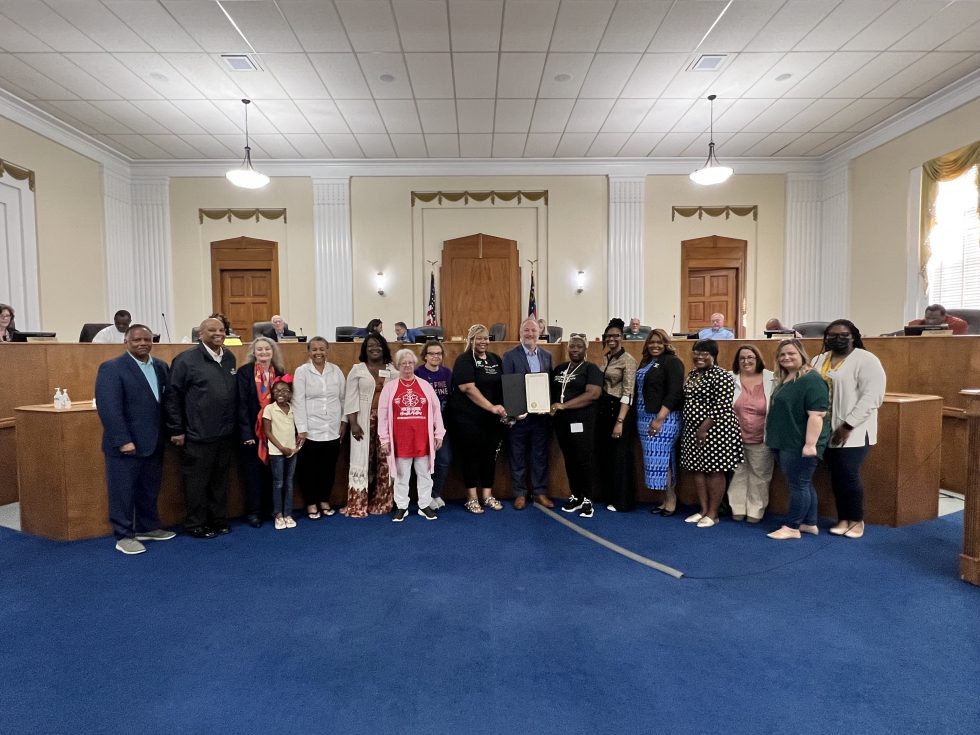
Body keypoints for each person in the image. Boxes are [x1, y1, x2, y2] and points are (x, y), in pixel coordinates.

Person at [95, 324, 175, 555]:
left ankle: (148, 527)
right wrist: (123, 440)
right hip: (126, 445)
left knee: (149, 489)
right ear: (126, 342)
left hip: (154, 441)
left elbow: (164, 403)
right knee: (122, 492)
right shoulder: (112, 368)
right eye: (137, 340)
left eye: (147, 339)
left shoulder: (160, 366)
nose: (142, 343)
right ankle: (123, 534)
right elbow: (109, 408)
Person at [811, 319, 886, 539]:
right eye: (832, 335)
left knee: (848, 474)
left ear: (853, 336)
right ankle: (843, 518)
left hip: (853, 431)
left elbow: (872, 397)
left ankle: (856, 520)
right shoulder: (819, 359)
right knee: (836, 475)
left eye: (843, 335)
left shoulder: (866, 359)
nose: (838, 339)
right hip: (825, 430)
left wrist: (847, 425)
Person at [164, 317, 238, 539]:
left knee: (219, 481)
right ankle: (196, 523)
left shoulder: (229, 358)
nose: (218, 333)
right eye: (212, 330)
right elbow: (172, 396)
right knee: (196, 483)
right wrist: (176, 429)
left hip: (225, 433)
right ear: (200, 334)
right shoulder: (186, 360)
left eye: (222, 330)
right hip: (197, 434)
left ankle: (218, 520)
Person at [765, 339, 830, 540]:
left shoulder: (811, 379)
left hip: (799, 443)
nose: (786, 357)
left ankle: (792, 526)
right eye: (782, 355)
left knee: (798, 485)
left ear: (802, 354)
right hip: (784, 441)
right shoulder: (786, 378)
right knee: (803, 483)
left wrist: (810, 445)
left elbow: (817, 415)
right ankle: (809, 523)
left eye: (791, 353)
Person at [680, 339, 744, 528]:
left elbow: (722, 406)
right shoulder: (692, 374)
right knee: (698, 469)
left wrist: (703, 428)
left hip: (715, 430)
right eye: (696, 353)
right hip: (692, 430)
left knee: (714, 470)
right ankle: (703, 510)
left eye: (704, 353)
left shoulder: (722, 375)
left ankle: (713, 513)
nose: (699, 357)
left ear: (714, 356)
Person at [379, 349, 446, 522]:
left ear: (414, 364)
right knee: (402, 475)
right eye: (403, 363)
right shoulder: (389, 387)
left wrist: (439, 433)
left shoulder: (424, 385)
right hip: (400, 439)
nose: (407, 366)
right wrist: (384, 439)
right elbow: (383, 414)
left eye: (410, 363)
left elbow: (436, 410)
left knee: (424, 474)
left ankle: (424, 505)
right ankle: (402, 506)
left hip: (422, 439)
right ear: (397, 366)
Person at [449, 324, 507, 514]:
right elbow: (468, 388)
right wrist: (491, 406)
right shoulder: (464, 360)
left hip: (492, 421)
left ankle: (487, 495)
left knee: (490, 457)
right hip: (469, 419)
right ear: (471, 340)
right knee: (471, 457)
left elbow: (504, 386)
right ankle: (472, 497)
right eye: (479, 338)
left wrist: (513, 409)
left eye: (486, 338)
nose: (483, 341)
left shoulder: (495, 359)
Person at [503, 317, 554, 509]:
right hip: (520, 416)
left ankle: (540, 492)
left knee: (540, 455)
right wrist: (516, 412)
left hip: (540, 416)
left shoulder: (547, 356)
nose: (530, 334)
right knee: (517, 455)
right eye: (526, 331)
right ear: (520, 333)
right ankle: (520, 493)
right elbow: (509, 385)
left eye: (533, 331)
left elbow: (548, 383)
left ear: (539, 334)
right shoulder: (510, 356)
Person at [342, 332, 395, 517]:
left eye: (378, 345)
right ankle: (358, 504)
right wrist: (353, 423)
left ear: (384, 348)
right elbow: (350, 398)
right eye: (370, 345)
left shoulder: (393, 371)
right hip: (362, 421)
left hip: (386, 424)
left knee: (384, 461)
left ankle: (382, 503)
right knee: (363, 460)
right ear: (365, 348)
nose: (374, 348)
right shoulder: (358, 370)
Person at [293, 336, 346, 519]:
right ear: (308, 352)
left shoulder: (335, 371)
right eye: (314, 349)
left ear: (327, 350)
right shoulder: (302, 372)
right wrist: (301, 428)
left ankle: (324, 499)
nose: (318, 353)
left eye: (322, 349)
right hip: (311, 429)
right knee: (309, 469)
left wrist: (343, 422)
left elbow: (343, 398)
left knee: (328, 468)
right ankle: (311, 502)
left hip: (332, 428)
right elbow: (298, 401)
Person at [550, 333, 603, 518]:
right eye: (572, 346)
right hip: (561, 423)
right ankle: (576, 495)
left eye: (579, 346)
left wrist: (564, 406)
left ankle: (588, 498)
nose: (574, 349)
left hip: (581, 422)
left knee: (583, 459)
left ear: (586, 349)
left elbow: (593, 394)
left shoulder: (591, 369)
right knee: (570, 459)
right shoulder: (559, 368)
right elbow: (547, 391)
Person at [236, 336, 284, 528]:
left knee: (271, 474)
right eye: (260, 350)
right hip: (252, 432)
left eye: (267, 349)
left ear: (273, 352)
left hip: (274, 432)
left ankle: (269, 509)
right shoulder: (244, 373)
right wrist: (246, 433)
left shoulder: (279, 372)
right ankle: (254, 512)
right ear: (253, 353)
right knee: (252, 474)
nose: (264, 353)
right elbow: (240, 405)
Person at [636, 328, 685, 516]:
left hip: (663, 419)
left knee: (663, 460)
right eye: (651, 342)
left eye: (659, 342)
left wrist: (659, 419)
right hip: (644, 418)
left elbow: (674, 393)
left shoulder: (672, 362)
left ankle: (671, 499)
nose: (655, 345)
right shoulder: (648, 362)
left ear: (666, 343)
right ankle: (664, 500)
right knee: (655, 461)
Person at [729, 344, 776, 523]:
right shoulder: (730, 378)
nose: (746, 361)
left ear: (758, 359)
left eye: (750, 357)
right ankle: (738, 508)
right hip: (735, 437)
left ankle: (755, 510)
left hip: (761, 437)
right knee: (737, 474)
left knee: (760, 476)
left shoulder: (771, 378)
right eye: (742, 358)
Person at [594, 318, 637, 512]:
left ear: (622, 337)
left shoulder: (628, 360)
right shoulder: (606, 358)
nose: (612, 339)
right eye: (608, 336)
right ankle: (608, 495)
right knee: (607, 455)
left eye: (616, 336)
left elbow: (628, 392)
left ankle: (622, 500)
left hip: (620, 411)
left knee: (620, 457)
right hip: (605, 410)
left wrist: (620, 421)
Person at [415, 340, 452, 509]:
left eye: (439, 353)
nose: (436, 356)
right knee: (424, 463)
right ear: (425, 356)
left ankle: (436, 493)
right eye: (432, 353)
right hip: (422, 426)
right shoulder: (418, 374)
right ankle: (425, 496)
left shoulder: (447, 373)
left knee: (444, 460)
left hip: (442, 426)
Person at [263, 377, 301, 530]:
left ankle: (288, 514)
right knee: (278, 483)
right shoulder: (269, 409)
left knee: (289, 483)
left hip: (292, 451)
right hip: (276, 452)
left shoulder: (293, 409)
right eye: (277, 390)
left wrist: (295, 448)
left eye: (285, 390)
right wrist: (281, 448)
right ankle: (278, 514)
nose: (281, 393)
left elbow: (299, 430)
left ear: (290, 394)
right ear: (272, 393)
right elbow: (267, 432)